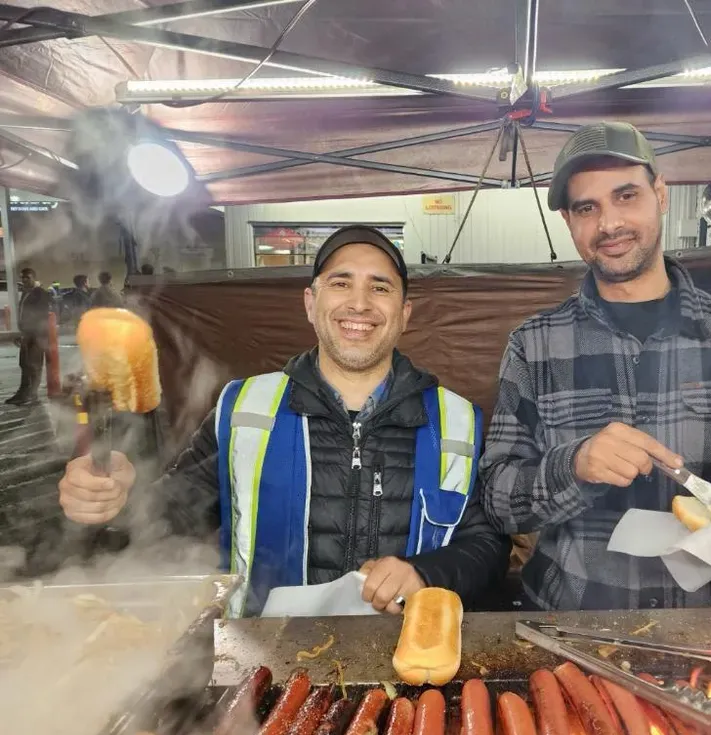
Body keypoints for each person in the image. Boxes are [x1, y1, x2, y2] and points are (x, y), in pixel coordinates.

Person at [58, 226, 510, 617]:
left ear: (405, 314)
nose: (359, 303)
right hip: (264, 665)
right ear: (310, 303)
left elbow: (488, 545)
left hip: (410, 666)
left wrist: (425, 573)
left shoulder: (457, 420)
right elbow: (173, 516)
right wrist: (118, 502)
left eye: (380, 287)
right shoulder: (243, 407)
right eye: (340, 283)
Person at [479, 122, 711, 611]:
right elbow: (497, 500)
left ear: (661, 195)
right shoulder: (534, 346)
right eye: (587, 207)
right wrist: (575, 465)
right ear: (568, 221)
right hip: (576, 626)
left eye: (626, 196)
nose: (609, 224)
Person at [5, 268, 51, 406]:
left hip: (36, 335)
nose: (24, 280)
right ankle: (23, 393)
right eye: (23, 278)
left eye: (27, 278)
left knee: (33, 365)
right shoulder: (26, 292)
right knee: (24, 364)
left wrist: (30, 334)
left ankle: (31, 395)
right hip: (27, 334)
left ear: (34, 278)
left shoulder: (40, 293)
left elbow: (40, 316)